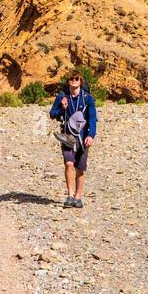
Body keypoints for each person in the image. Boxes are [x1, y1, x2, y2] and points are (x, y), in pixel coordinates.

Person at [49, 70, 97, 208]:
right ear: (68, 81)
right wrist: (62, 108)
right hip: (67, 136)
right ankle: (70, 195)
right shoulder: (62, 97)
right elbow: (52, 114)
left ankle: (78, 196)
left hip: (83, 138)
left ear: (81, 81)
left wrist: (90, 135)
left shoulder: (88, 98)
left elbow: (92, 119)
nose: (74, 80)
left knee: (80, 168)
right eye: (71, 78)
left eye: (77, 78)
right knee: (69, 164)